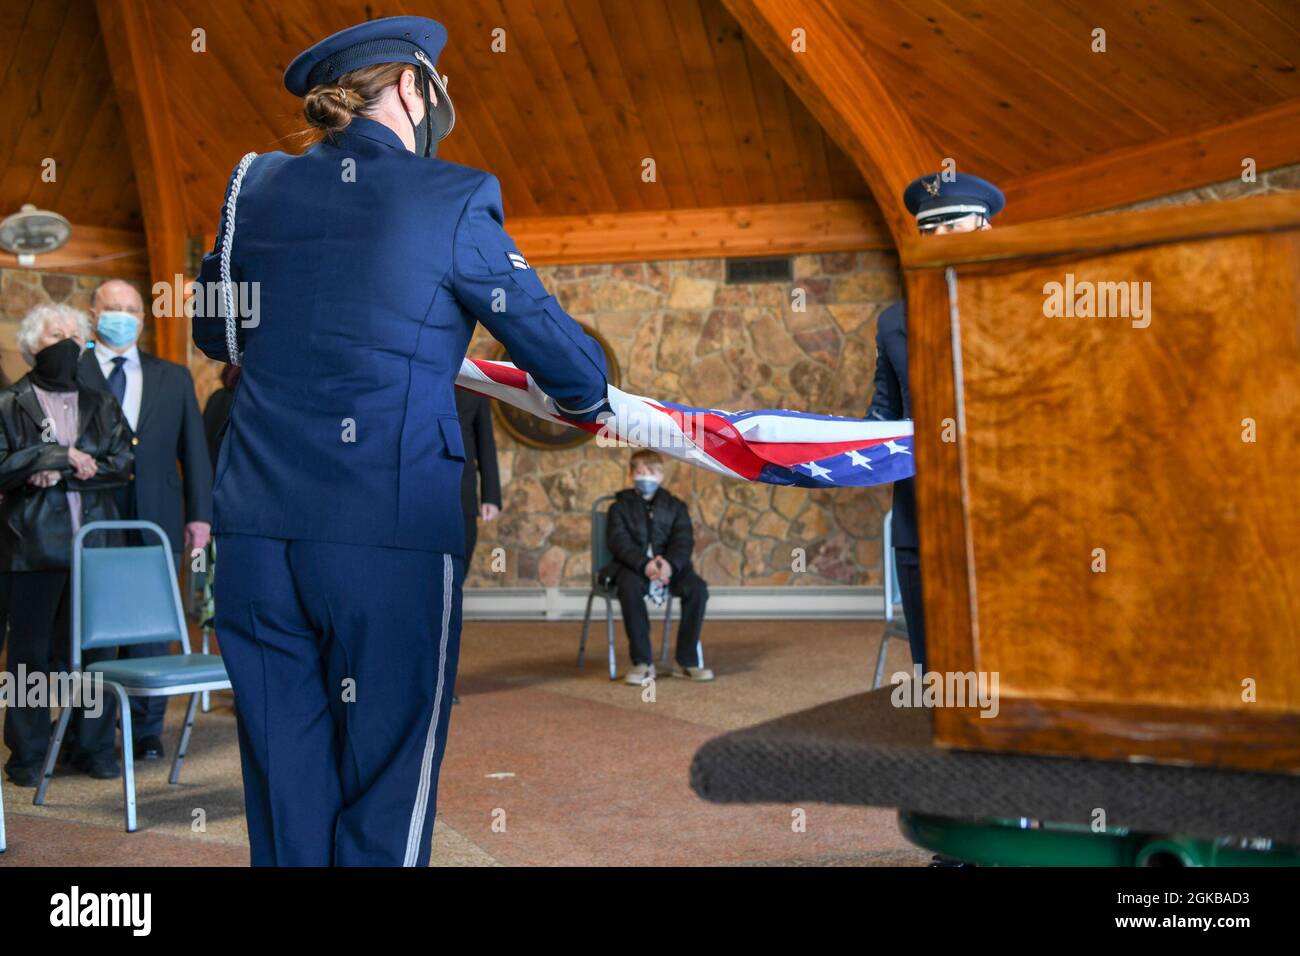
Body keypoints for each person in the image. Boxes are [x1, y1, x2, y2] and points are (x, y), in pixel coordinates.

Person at [191, 16, 610, 867]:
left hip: (257, 532)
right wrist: (585, 395)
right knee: (388, 775)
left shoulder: (256, 187)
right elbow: (568, 361)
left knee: (285, 774)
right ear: (415, 89)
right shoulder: (453, 197)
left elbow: (216, 337)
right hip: (388, 533)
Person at [867, 172, 1004, 672]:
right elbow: (883, 412)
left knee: (1001, 660)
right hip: (919, 516)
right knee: (936, 672)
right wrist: (816, 448)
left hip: (1007, 516)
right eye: (929, 229)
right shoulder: (892, 323)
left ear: (985, 228)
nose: (939, 238)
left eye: (952, 223)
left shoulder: (1022, 303)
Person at [79, 279, 212, 761]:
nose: (122, 315)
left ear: (143, 317)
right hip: (94, 517)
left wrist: (200, 516)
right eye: (111, 307)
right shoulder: (75, 372)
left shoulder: (172, 377)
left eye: (131, 308)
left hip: (157, 516)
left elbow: (194, 451)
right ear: (93, 314)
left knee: (153, 628)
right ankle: (91, 737)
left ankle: (146, 731)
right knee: (95, 623)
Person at [0, 304, 133, 785]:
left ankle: (91, 745)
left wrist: (58, 471)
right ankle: (29, 755)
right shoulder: (9, 403)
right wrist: (58, 454)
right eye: (57, 334)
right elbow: (2, 464)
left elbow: (121, 463)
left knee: (98, 652)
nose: (67, 342)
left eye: (75, 335)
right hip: (32, 547)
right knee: (31, 654)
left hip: (97, 547)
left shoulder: (101, 403)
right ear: (34, 345)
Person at [601, 450, 712, 685]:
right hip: (634, 568)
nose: (646, 476)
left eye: (652, 472)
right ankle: (643, 662)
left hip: (670, 568)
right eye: (640, 472)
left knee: (697, 589)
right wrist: (645, 564)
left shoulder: (676, 507)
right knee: (628, 588)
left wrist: (669, 565)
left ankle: (686, 660)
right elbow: (619, 542)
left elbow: (684, 540)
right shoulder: (619, 508)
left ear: (661, 476)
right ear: (631, 475)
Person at [455, 389, 501, 567]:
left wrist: (490, 496)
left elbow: (485, 441)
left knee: (461, 563)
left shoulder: (474, 385)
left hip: (463, 493)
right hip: (417, 493)